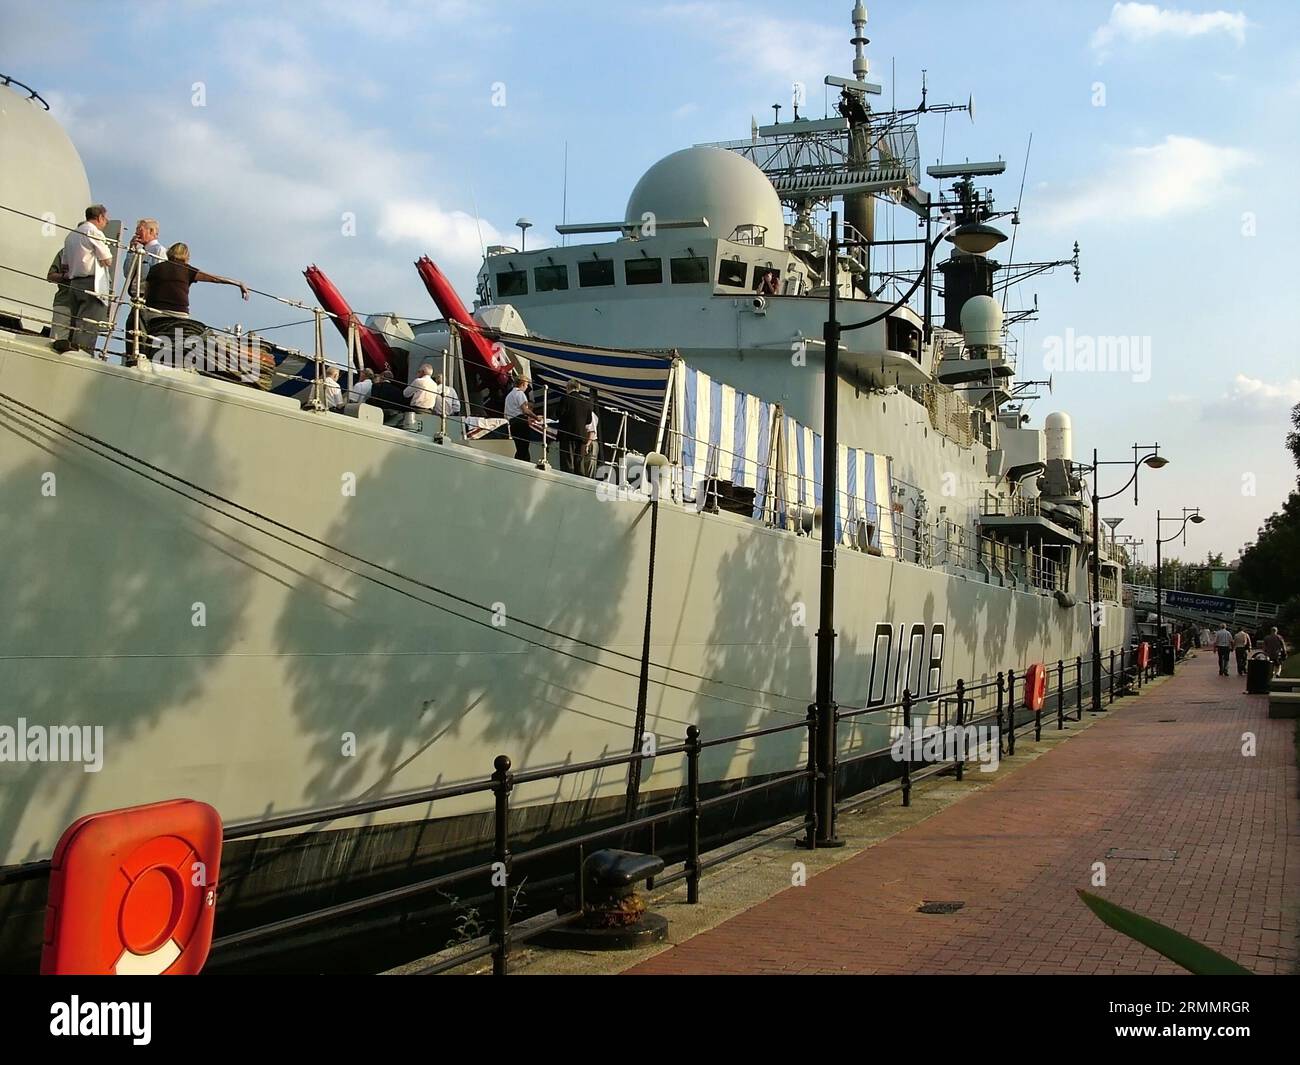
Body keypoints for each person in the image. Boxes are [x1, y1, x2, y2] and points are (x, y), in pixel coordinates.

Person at [52, 204, 113, 354]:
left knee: (75, 323)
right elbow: (108, 259)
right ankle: (83, 354)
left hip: (74, 283)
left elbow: (65, 264)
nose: (106, 223)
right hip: (91, 284)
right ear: (100, 217)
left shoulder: (71, 235)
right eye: (106, 219)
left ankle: (71, 351)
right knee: (89, 325)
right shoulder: (94, 232)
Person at [144, 242, 249, 321]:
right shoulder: (188, 270)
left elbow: (146, 292)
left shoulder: (155, 268)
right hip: (180, 314)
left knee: (136, 319)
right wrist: (238, 283)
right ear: (186, 256)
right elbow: (215, 279)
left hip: (155, 312)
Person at [123, 219, 167, 363]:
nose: (136, 232)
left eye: (140, 229)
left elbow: (159, 276)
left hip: (147, 300)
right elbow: (127, 273)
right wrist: (131, 250)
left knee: (140, 331)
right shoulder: (139, 251)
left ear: (152, 231)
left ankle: (140, 358)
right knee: (131, 328)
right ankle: (132, 356)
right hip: (136, 298)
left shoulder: (158, 250)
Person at [555, 378, 595, 475]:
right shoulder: (586, 402)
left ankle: (567, 482)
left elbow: (559, 414)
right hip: (581, 436)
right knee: (578, 462)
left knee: (567, 462)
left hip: (567, 434)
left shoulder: (565, 398)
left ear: (568, 387)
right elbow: (589, 420)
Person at [504, 377, 537, 461]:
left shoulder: (509, 395)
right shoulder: (520, 394)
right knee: (524, 447)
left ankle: (519, 462)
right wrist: (536, 417)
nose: (526, 387)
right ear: (522, 384)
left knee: (519, 447)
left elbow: (505, 414)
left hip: (512, 423)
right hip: (521, 423)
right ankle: (525, 464)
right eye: (526, 385)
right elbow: (525, 410)